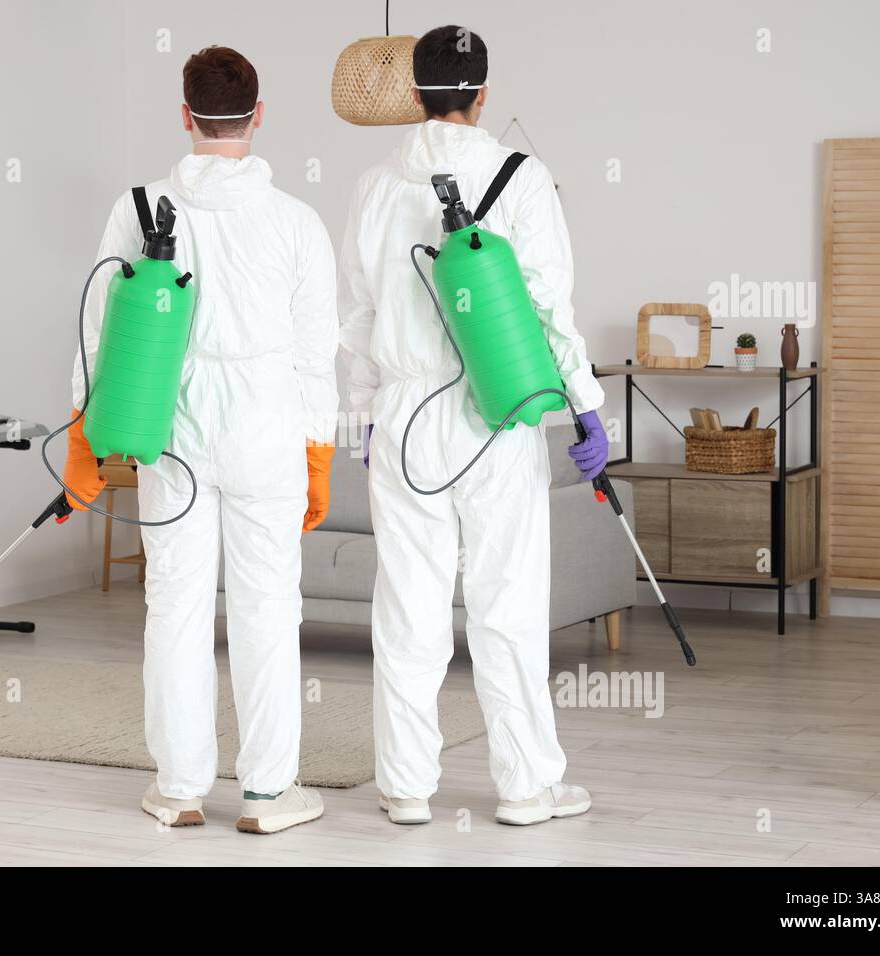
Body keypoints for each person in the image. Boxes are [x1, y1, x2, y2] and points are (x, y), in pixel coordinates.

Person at [339, 25, 609, 826]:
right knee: (507, 603)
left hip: (403, 418)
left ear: (413, 95)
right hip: (499, 414)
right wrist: (586, 408)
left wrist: (364, 414)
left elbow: (356, 317)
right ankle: (526, 787)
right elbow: (549, 309)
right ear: (483, 94)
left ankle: (405, 785)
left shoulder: (374, 185)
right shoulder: (522, 177)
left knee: (409, 606)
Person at [64, 46, 338, 834]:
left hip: (172, 425)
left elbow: (101, 331)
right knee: (266, 607)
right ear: (259, 115)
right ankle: (268, 793)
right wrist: (317, 453)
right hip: (269, 424)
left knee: (175, 603)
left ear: (185, 115)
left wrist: (84, 433)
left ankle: (180, 788)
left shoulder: (139, 207)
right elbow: (316, 352)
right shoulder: (297, 222)